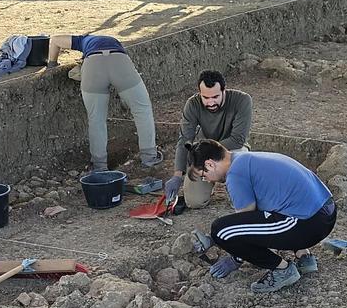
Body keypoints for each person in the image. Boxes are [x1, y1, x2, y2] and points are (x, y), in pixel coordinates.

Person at [189, 141, 336, 294]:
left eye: (204, 175)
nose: (208, 181)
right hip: (326, 211)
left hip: (309, 223)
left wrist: (232, 255)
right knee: (278, 204)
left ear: (210, 164)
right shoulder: (244, 158)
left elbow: (244, 224)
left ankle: (283, 270)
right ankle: (304, 256)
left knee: (221, 230)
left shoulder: (235, 173)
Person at [47, 34, 160, 172]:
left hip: (92, 67)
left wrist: (52, 64)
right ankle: (149, 158)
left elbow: (55, 40)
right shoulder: (110, 41)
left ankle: (99, 166)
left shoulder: (82, 40)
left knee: (96, 120)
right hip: (120, 62)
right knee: (142, 110)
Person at [166, 71, 253, 209]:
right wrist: (177, 174)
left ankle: (234, 188)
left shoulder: (242, 100)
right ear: (199, 92)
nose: (210, 102)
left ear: (224, 90)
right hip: (203, 154)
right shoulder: (193, 104)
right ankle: (209, 183)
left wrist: (204, 153)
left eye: (215, 96)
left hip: (231, 150)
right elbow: (185, 140)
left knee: (239, 201)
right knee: (194, 202)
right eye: (205, 97)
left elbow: (237, 139)